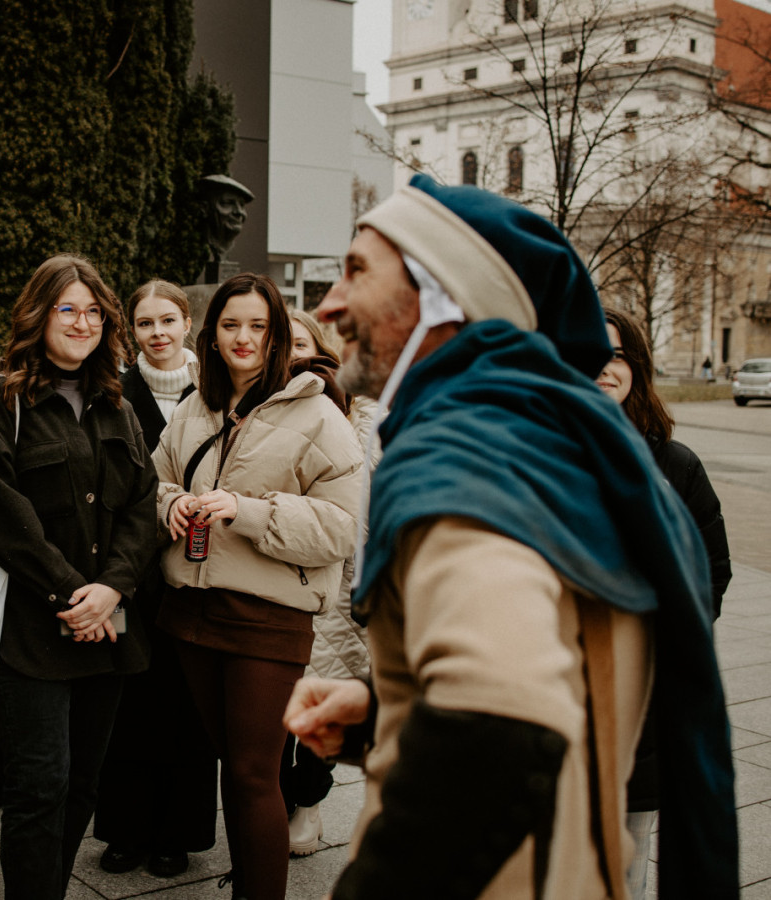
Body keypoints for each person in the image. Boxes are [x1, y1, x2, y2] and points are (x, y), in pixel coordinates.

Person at [286, 174, 737, 898]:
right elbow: (552, 660)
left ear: (444, 297)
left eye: (357, 270)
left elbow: (502, 724)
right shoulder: (554, 443)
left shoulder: (462, 452)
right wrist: (386, 707)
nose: (328, 305)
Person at [152, 273, 362, 900]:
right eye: (230, 325)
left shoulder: (320, 414)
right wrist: (170, 507)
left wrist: (245, 511)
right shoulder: (196, 404)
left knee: (253, 773)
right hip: (191, 610)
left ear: (276, 337)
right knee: (233, 768)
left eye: (258, 326)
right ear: (210, 335)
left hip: (267, 619)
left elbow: (341, 529)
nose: (243, 338)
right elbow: (156, 479)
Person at [0, 253, 157, 900]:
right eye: (67, 308)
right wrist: (74, 593)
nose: (82, 322)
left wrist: (114, 588)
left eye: (94, 311)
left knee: (83, 786)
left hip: (108, 620)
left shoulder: (116, 403)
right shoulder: (0, 398)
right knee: (40, 783)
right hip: (33, 625)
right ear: (39, 314)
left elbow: (140, 505)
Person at [598, 306, 732, 898]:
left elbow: (711, 578)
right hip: (553, 691)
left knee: (628, 851)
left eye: (619, 354)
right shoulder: (537, 461)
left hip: (644, 696)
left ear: (638, 367)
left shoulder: (676, 467)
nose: (604, 366)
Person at [94, 279, 217, 879]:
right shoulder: (113, 390)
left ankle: (179, 831)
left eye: (168, 320)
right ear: (132, 330)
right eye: (146, 323)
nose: (158, 333)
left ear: (187, 323)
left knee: (189, 704)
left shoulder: (216, 391)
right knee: (129, 700)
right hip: (129, 570)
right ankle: (124, 828)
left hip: (197, 570)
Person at [276, 308, 372, 859]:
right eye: (278, 341)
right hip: (277, 575)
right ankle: (279, 797)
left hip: (339, 586)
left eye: (297, 342)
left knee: (322, 700)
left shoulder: (358, 413)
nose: (288, 352)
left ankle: (308, 805)